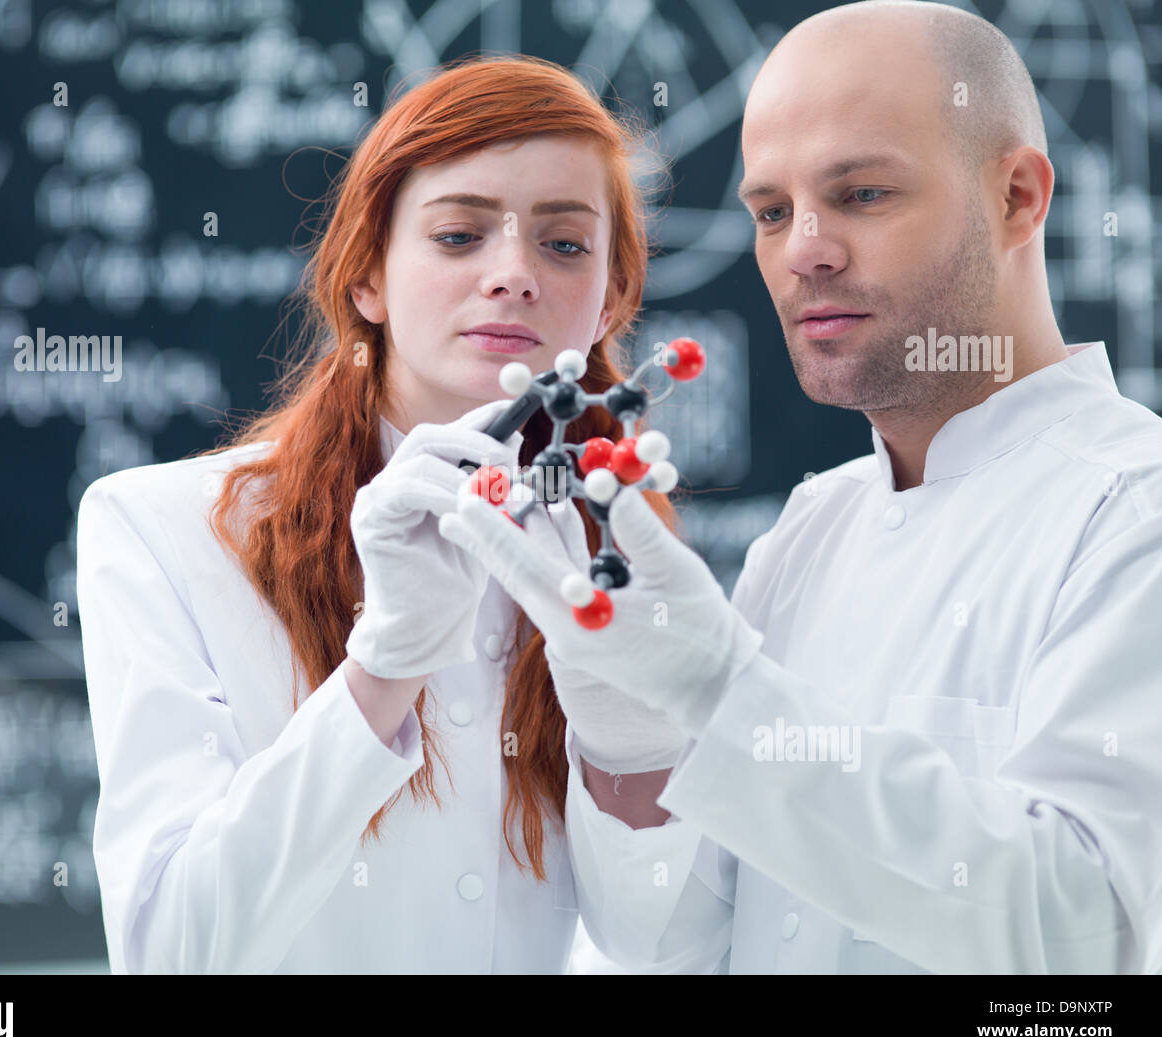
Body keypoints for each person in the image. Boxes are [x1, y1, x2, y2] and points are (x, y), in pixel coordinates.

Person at [438, 1, 1162, 974]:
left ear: (1018, 199)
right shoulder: (814, 526)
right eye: (771, 211)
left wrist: (726, 694)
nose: (803, 251)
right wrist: (630, 748)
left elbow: (1091, 932)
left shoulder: (1133, 510)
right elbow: (682, 947)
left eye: (861, 194)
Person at [75, 54, 682, 973]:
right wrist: (381, 668)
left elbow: (660, 942)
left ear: (611, 301)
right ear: (367, 278)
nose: (513, 273)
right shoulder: (163, 528)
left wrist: (624, 742)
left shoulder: (622, 548)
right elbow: (172, 949)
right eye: (457, 236)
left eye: (564, 244)